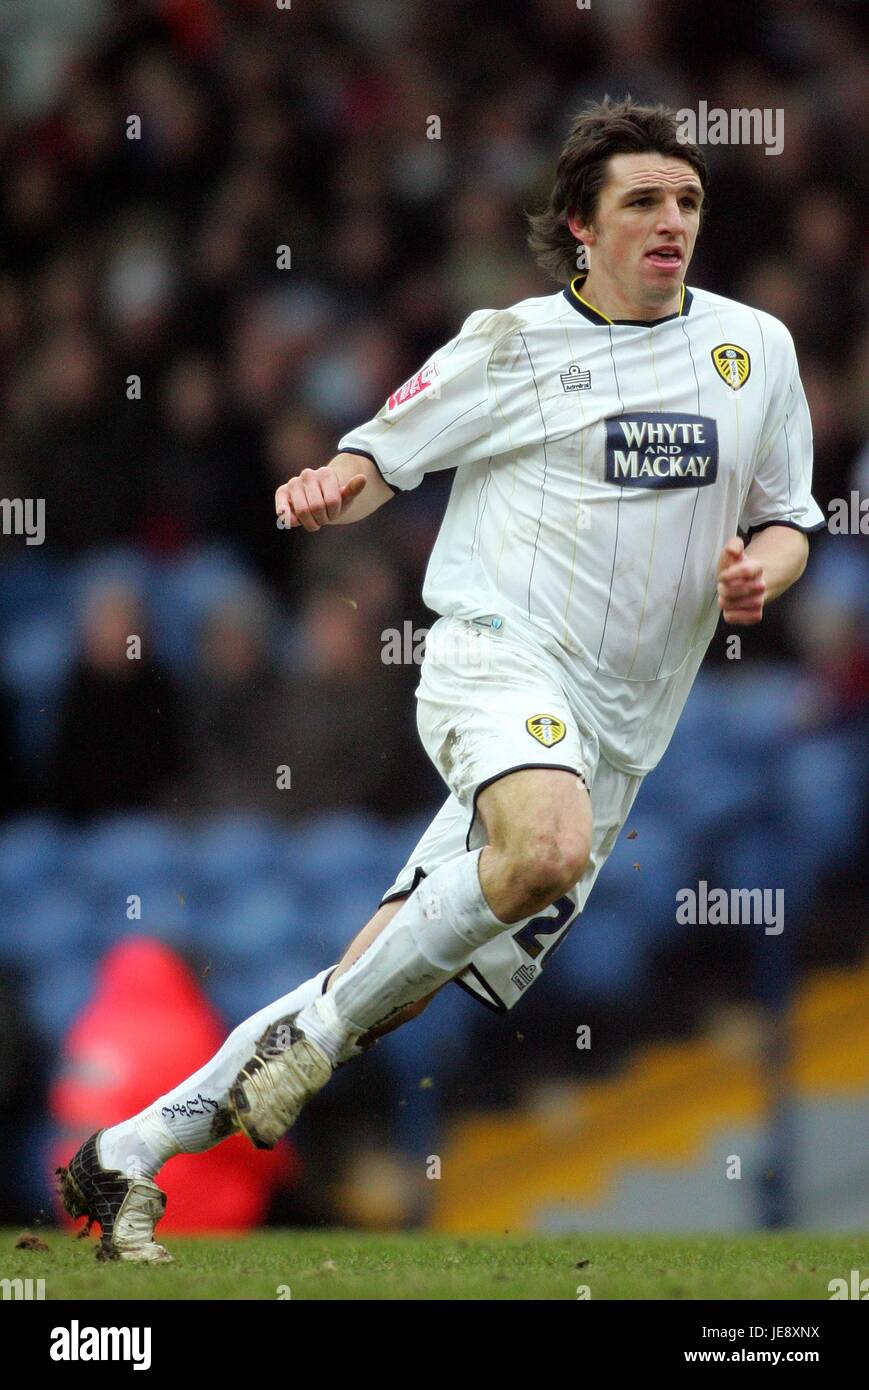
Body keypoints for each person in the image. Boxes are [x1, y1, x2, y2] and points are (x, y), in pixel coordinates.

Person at [57, 97, 824, 1261]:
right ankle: (303, 1036)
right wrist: (330, 482)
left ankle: (127, 1156)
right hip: (496, 659)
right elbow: (380, 451)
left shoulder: (751, 350)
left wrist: (758, 573)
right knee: (543, 847)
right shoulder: (507, 345)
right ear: (579, 223)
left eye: (686, 201)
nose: (671, 222)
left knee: (390, 982)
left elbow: (788, 519)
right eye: (641, 202)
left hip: (619, 734)